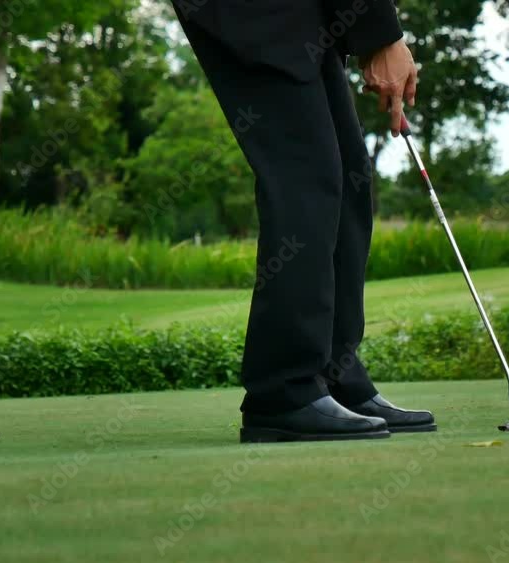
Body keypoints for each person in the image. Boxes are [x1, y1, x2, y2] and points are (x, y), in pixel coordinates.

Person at [172, 0, 436, 442]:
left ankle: (333, 375)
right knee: (307, 177)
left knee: (350, 177)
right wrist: (382, 34)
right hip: (256, 14)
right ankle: (285, 390)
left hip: (303, 15)